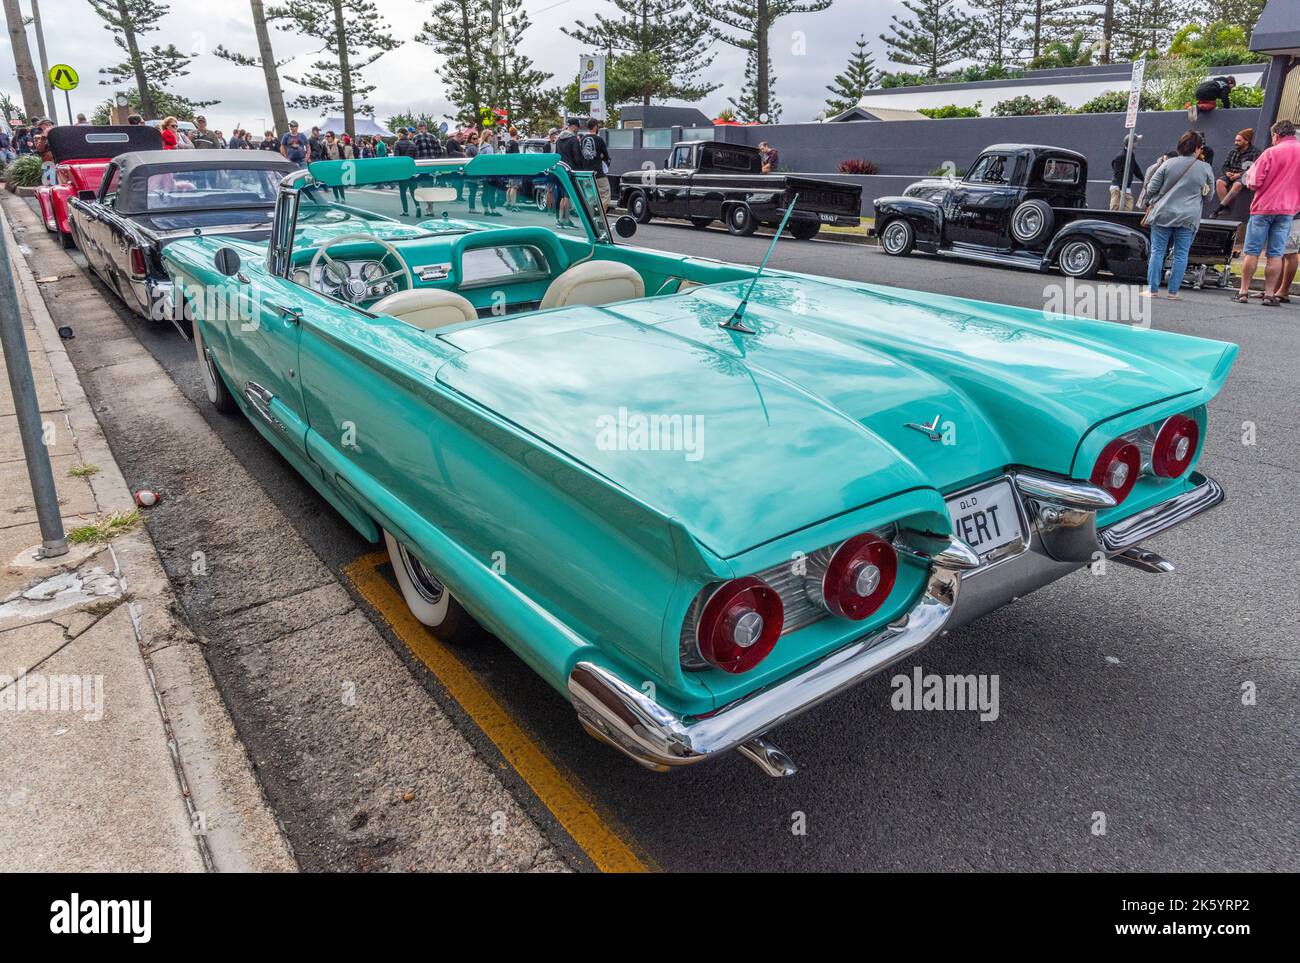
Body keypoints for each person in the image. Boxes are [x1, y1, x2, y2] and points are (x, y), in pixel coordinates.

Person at [1234, 120, 1300, 307]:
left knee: (1252, 251)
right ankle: (1270, 294)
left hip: (1263, 207)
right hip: (1288, 210)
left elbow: (1254, 181)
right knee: (1276, 254)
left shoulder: (1270, 152)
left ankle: (1243, 291)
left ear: (1276, 135)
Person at [1142, 130, 1213, 300]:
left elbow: (1150, 188)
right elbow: (1209, 196)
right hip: (1188, 217)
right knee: (1181, 254)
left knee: (1158, 252)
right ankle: (1173, 292)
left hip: (1163, 214)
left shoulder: (1168, 164)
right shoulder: (1205, 168)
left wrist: (1152, 200)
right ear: (1197, 148)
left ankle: (1152, 290)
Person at [1213, 128, 1260, 218]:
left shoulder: (1256, 152)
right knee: (1219, 182)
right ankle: (1225, 207)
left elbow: (1253, 169)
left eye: (1238, 141)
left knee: (1237, 185)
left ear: (1246, 141)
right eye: (1235, 140)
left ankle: (1219, 207)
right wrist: (1227, 173)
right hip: (1231, 174)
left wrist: (1238, 175)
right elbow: (1225, 165)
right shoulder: (1232, 151)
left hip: (1243, 176)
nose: (1235, 142)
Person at [580, 118, 612, 209]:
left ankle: (590, 220)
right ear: (595, 127)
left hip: (586, 174)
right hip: (598, 173)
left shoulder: (582, 139)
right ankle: (600, 218)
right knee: (605, 194)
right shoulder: (599, 139)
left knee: (590, 198)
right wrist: (600, 156)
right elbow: (606, 156)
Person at [1110, 133, 1144, 211]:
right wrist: (1121, 188)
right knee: (1116, 211)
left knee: (1127, 210)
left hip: (1124, 187)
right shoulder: (1121, 156)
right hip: (1119, 188)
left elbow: (1136, 169)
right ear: (1132, 143)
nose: (1137, 143)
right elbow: (1117, 172)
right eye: (1136, 142)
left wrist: (1144, 180)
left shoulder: (1130, 155)